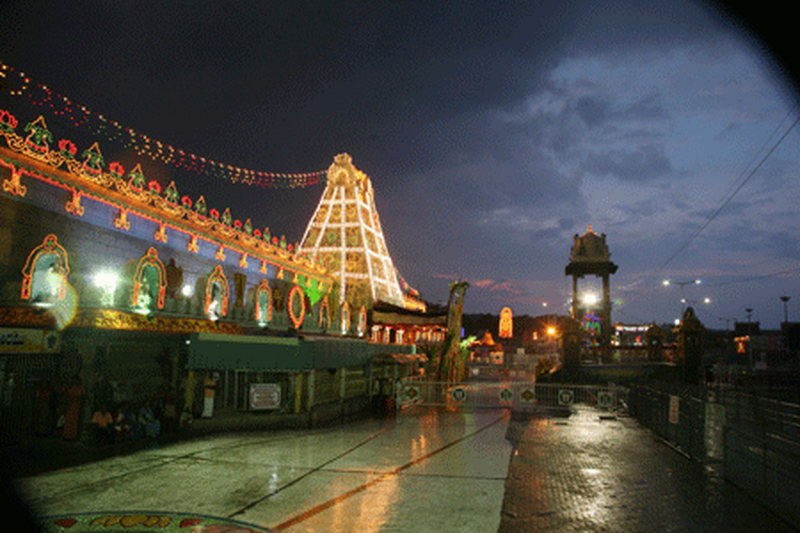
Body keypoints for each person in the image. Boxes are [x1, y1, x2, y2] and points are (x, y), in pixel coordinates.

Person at [61, 375, 86, 441]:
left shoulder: (81, 389)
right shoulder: (68, 388)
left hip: (77, 408)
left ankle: (74, 436)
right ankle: (67, 435)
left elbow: (83, 399)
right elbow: (65, 397)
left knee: (76, 423)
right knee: (68, 422)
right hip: (69, 408)